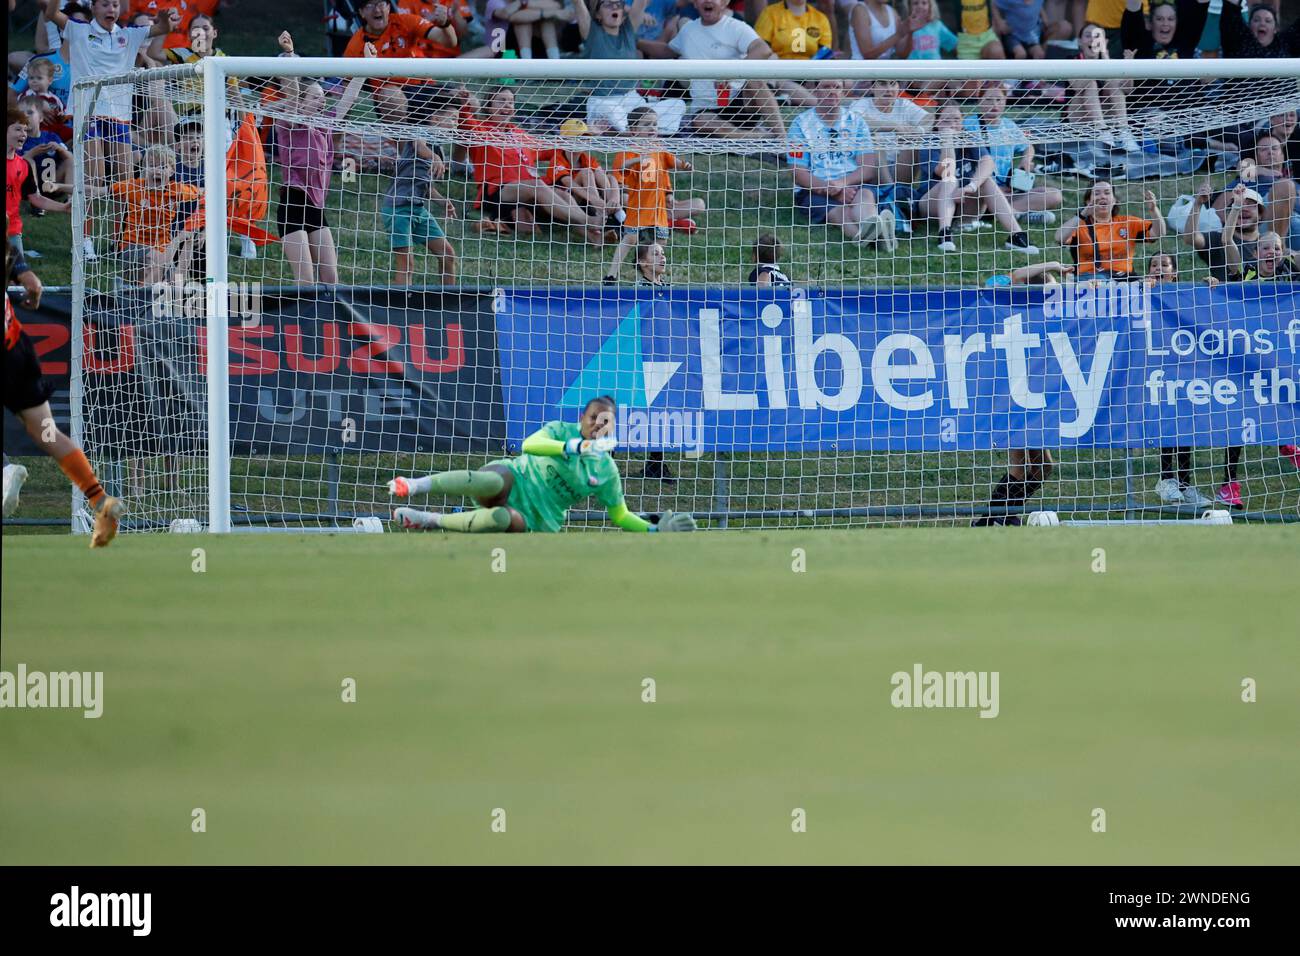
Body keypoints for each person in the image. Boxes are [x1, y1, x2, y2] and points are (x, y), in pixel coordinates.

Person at [389, 396, 698, 533]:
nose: (598, 425)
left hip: (537, 518)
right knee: (491, 481)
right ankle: (415, 485)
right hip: (514, 479)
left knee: (499, 518)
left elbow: (620, 515)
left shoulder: (605, 472)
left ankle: (430, 520)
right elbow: (528, 445)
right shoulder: (560, 432)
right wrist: (572, 446)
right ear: (582, 419)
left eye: (606, 422)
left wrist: (654, 530)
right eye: (593, 418)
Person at [4, 217, 123, 545]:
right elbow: (16, 261)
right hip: (15, 349)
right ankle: (100, 500)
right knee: (46, 432)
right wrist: (25, 273)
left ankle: (4, 471)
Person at [43, 0, 180, 261]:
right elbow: (51, 13)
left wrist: (165, 18)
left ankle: (122, 241)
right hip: (89, 111)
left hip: (119, 115)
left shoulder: (128, 34)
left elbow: (163, 28)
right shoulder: (78, 29)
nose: (111, 9)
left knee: (125, 183)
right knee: (91, 181)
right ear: (94, 8)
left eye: (115, 4)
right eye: (105, 4)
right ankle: (84, 241)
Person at [274, 31, 372, 285]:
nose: (321, 102)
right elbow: (292, 94)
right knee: (305, 281)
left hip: (316, 208)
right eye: (315, 98)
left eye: (322, 97)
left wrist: (365, 65)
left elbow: (348, 100)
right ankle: (296, 324)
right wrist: (289, 55)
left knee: (331, 279)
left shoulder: (326, 125)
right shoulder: (289, 122)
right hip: (293, 204)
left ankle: (329, 323)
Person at [459, 86, 607, 243]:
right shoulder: (480, 131)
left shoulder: (519, 134)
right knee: (537, 185)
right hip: (497, 192)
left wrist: (583, 134)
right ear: (488, 107)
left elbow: (554, 149)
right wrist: (465, 102)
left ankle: (594, 237)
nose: (507, 105)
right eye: (501, 101)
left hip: (530, 192)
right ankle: (588, 220)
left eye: (511, 102)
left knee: (563, 195)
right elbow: (464, 120)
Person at [787, 78, 895, 248]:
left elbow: (867, 169)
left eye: (837, 87)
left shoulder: (857, 122)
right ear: (814, 90)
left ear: (843, 92)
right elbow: (798, 172)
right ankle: (874, 239)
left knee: (865, 196)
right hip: (815, 189)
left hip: (852, 185)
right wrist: (832, 190)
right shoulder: (799, 124)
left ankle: (871, 226)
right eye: (826, 86)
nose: (832, 91)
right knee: (840, 213)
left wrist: (841, 184)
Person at [913, 103, 1034, 253]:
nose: (952, 124)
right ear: (937, 123)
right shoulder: (929, 142)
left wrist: (970, 187)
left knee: (986, 181)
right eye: (946, 120)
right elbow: (947, 171)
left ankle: (1016, 235)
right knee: (950, 181)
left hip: (964, 203)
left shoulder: (969, 138)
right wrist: (948, 141)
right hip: (932, 204)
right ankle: (944, 233)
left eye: (957, 119)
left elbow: (988, 162)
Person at [1144, 252, 1214, 508]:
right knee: (1166, 423)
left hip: (1185, 369)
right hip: (1152, 370)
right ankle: (1166, 480)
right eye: (1154, 265)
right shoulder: (1143, 293)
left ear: (1174, 272)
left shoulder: (1187, 294)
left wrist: (1209, 285)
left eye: (1164, 265)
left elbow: (1207, 308)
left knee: (1185, 424)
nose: (1158, 268)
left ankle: (1184, 483)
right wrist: (1140, 289)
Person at [665, 0, 787, 140]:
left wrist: (731, 73)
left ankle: (782, 138)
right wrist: (636, 42)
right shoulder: (688, 30)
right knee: (701, 121)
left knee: (755, 81)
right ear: (695, 3)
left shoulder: (736, 27)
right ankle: (761, 137)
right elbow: (667, 51)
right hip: (706, 111)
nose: (708, 1)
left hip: (740, 103)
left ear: (724, 3)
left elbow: (764, 50)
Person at [606, 106, 703, 280]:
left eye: (655, 124)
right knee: (630, 239)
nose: (652, 128)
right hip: (638, 206)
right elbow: (618, 169)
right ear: (634, 130)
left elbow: (670, 166)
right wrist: (638, 159)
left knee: (661, 243)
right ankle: (611, 275)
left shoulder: (659, 149)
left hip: (658, 208)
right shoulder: (628, 151)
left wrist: (683, 170)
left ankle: (654, 276)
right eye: (646, 124)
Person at [383, 87, 459, 285]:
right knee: (407, 265)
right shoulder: (420, 133)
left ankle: (447, 303)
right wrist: (433, 157)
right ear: (435, 119)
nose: (455, 124)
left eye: (457, 120)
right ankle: (399, 311)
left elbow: (425, 186)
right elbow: (419, 146)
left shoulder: (439, 151)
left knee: (448, 255)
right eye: (452, 119)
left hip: (418, 210)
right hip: (398, 208)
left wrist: (443, 202)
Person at [577, 0, 687, 135]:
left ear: (623, 13)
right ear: (598, 15)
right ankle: (637, 131)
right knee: (609, 109)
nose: (614, 7)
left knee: (677, 105)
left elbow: (641, 3)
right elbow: (577, 3)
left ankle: (630, 131)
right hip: (604, 100)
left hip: (632, 99)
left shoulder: (628, 30)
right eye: (608, 5)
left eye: (618, 5)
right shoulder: (591, 32)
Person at [345, 0, 461, 123]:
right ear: (361, 13)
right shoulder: (356, 44)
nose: (377, 10)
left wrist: (445, 24)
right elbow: (347, 87)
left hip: (424, 88)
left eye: (380, 4)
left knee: (466, 98)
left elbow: (449, 42)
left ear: (388, 7)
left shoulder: (405, 22)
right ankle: (405, 142)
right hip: (391, 98)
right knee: (391, 96)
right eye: (370, 5)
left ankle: (470, 142)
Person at [964, 84, 1062, 226]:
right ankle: (1015, 214)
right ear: (979, 101)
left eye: (999, 100)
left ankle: (1010, 211)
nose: (994, 104)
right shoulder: (969, 124)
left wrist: (1026, 160)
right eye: (989, 100)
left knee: (1055, 195)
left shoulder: (1009, 126)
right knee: (983, 193)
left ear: (1005, 101)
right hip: (980, 190)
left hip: (1008, 190)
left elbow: (1028, 146)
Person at [1055, 180, 1165, 277]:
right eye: (1097, 193)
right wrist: (1082, 214)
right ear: (1088, 201)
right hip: (1091, 281)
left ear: (1114, 200)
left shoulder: (1128, 223)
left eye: (1107, 193)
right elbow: (1059, 238)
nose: (1102, 196)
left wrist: (1153, 210)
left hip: (1124, 281)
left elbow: (1159, 233)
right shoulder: (1079, 225)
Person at [7, 108, 70, 266]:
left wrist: (64, 207)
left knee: (30, 286)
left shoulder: (24, 165)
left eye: (25, 130)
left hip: (12, 231)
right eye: (18, 129)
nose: (23, 134)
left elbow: (36, 198)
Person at [542, 119, 625, 235]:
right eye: (577, 138)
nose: (581, 141)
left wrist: (614, 199)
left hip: (591, 199)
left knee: (606, 179)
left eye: (584, 138)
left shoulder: (587, 158)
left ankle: (617, 213)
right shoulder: (557, 159)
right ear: (564, 141)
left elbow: (609, 178)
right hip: (566, 201)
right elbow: (568, 184)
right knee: (587, 172)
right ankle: (602, 215)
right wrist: (594, 199)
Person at [1067, 22, 1139, 154]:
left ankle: (1124, 131)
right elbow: (1077, 86)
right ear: (1079, 41)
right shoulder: (1073, 60)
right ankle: (1102, 131)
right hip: (1079, 120)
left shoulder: (1109, 63)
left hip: (1108, 119)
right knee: (1090, 84)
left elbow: (1127, 90)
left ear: (1104, 41)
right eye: (1088, 36)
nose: (1093, 40)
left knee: (1112, 83)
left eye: (1097, 37)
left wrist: (1128, 67)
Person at [753, 0, 834, 109]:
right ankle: (820, 105)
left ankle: (787, 98)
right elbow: (761, 48)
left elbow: (825, 53)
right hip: (780, 72)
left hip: (810, 73)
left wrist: (812, 77)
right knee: (772, 60)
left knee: (846, 81)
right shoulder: (770, 12)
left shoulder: (820, 18)